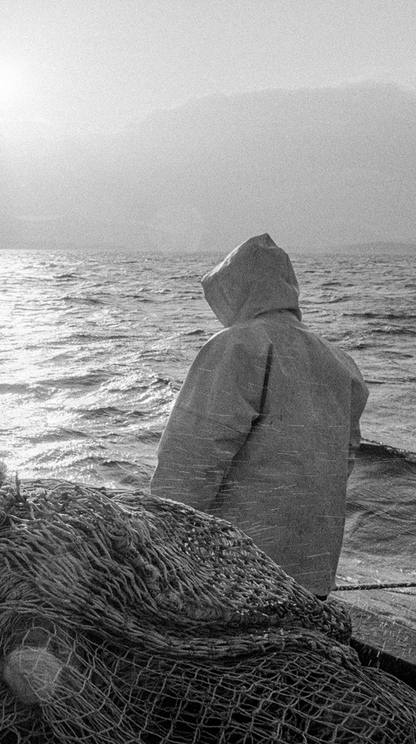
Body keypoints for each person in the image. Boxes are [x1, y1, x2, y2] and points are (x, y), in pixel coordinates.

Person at [150, 233, 368, 599]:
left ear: (237, 290)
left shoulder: (236, 345)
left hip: (238, 572)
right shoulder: (341, 363)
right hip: (312, 575)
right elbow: (341, 461)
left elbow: (189, 460)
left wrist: (158, 544)